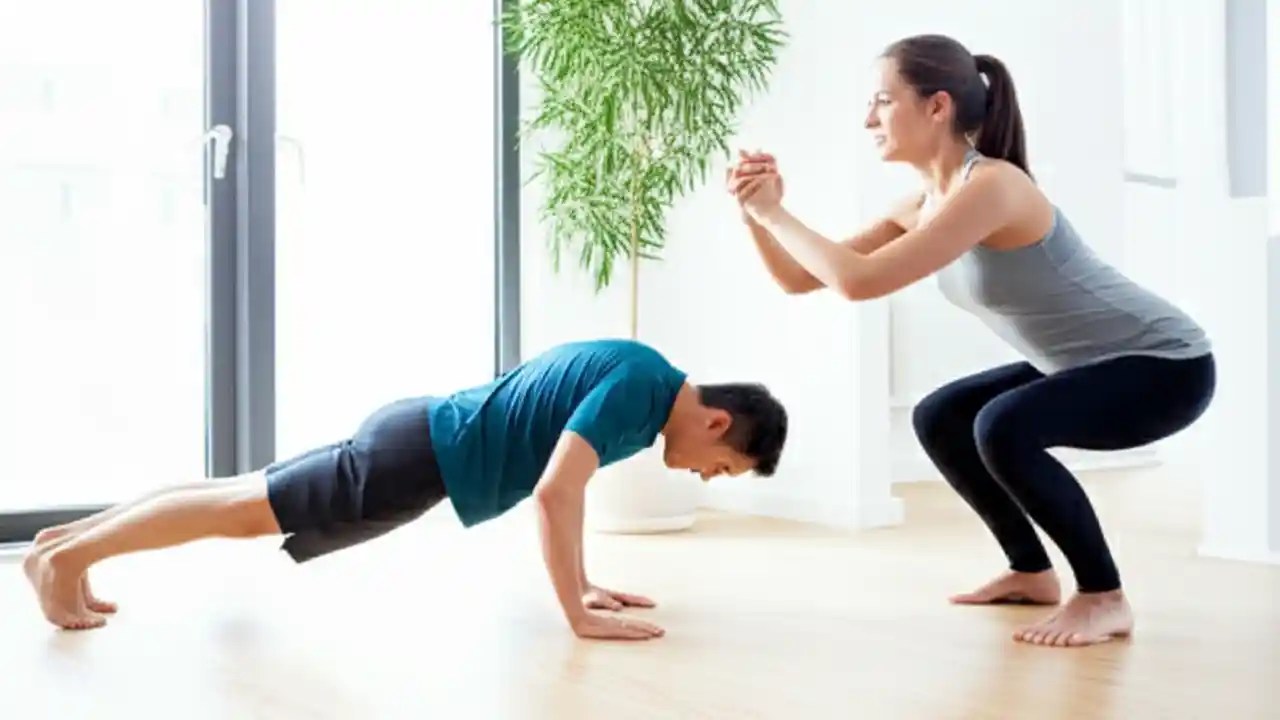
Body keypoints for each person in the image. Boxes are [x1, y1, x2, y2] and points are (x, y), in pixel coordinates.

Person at [727, 33, 1215, 648]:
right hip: (1081, 362)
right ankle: (1030, 571)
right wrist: (756, 213)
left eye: (882, 100)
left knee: (1003, 426)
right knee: (942, 417)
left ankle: (1102, 596)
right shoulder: (926, 202)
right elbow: (801, 278)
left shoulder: (994, 186)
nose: (867, 118)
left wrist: (776, 215)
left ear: (937, 107)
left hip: (1166, 365)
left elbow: (859, 282)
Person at [23, 338, 788, 638]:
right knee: (240, 511)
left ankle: (66, 546)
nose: (700, 476)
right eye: (718, 467)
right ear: (718, 423)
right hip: (417, 457)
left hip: (418, 440)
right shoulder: (639, 389)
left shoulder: (645, 387)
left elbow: (559, 485)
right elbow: (558, 495)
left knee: (238, 493)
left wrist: (584, 584)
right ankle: (64, 561)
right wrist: (575, 615)